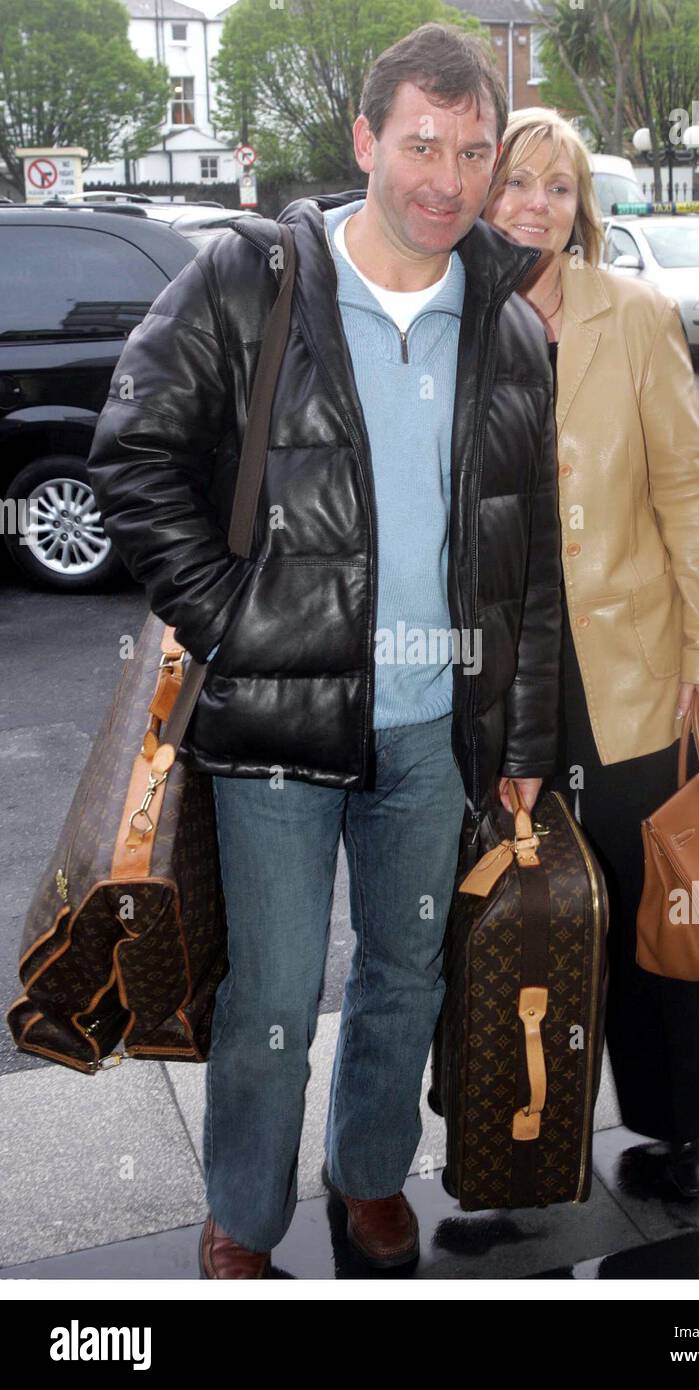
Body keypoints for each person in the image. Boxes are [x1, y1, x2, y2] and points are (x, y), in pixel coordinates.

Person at [86, 26, 562, 1276]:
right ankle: (242, 1218)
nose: (447, 180)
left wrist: (522, 740)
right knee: (272, 1007)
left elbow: (535, 560)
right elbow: (133, 456)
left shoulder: (510, 328)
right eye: (420, 144)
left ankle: (366, 1180)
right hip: (278, 734)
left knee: (407, 973)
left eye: (472, 150)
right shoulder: (253, 281)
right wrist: (236, 621)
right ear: (365, 141)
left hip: (432, 733)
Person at [484, 108, 699, 1203]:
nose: (535, 203)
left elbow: (688, 482)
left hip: (630, 662)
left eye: (557, 184)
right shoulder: (453, 319)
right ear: (484, 194)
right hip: (499, 671)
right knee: (518, 904)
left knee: (647, 894)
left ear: (580, 204)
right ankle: (519, 1118)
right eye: (516, 182)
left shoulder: (634, 315)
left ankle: (677, 1115)